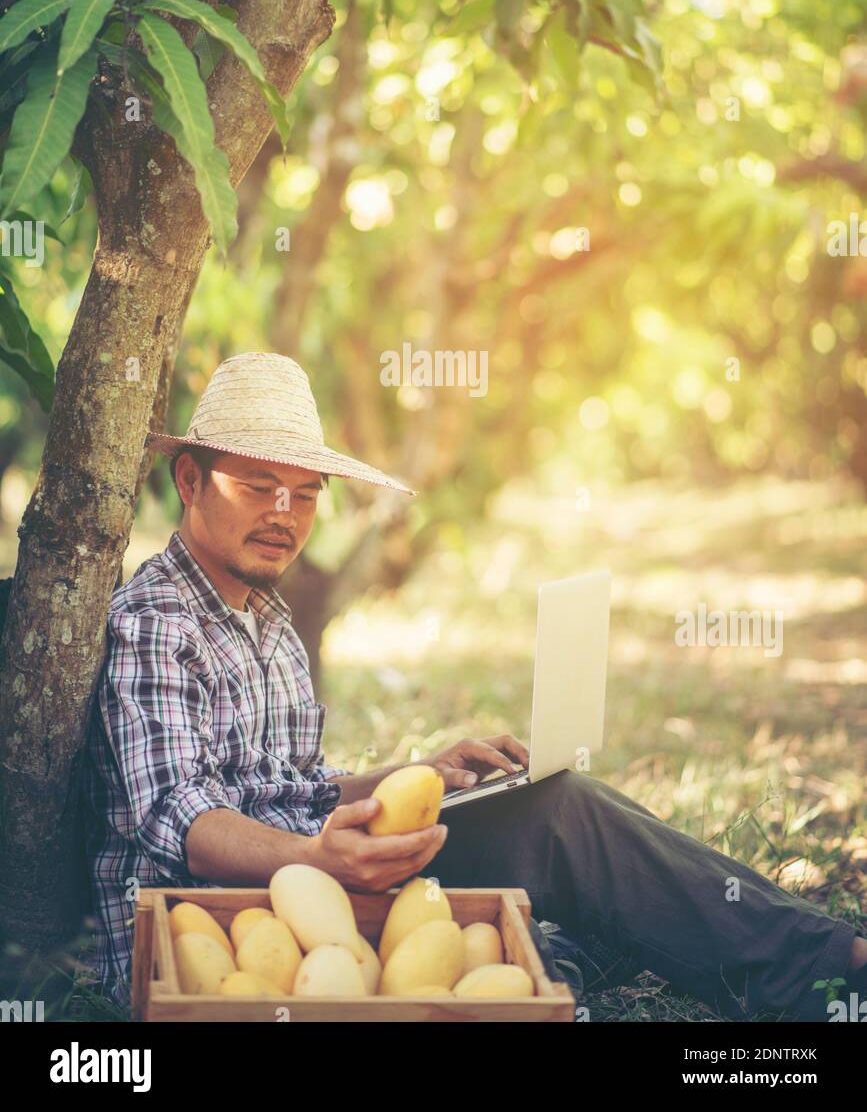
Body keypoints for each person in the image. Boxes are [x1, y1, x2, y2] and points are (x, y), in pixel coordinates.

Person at [84, 352, 867, 1018]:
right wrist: (322, 862)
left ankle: (807, 954)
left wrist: (413, 773)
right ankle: (827, 972)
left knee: (556, 802)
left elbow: (288, 787)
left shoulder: (266, 616)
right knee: (559, 824)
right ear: (190, 481)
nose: (284, 514)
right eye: (258, 485)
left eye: (307, 492)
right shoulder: (159, 620)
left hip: (305, 883)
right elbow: (180, 818)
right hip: (215, 925)